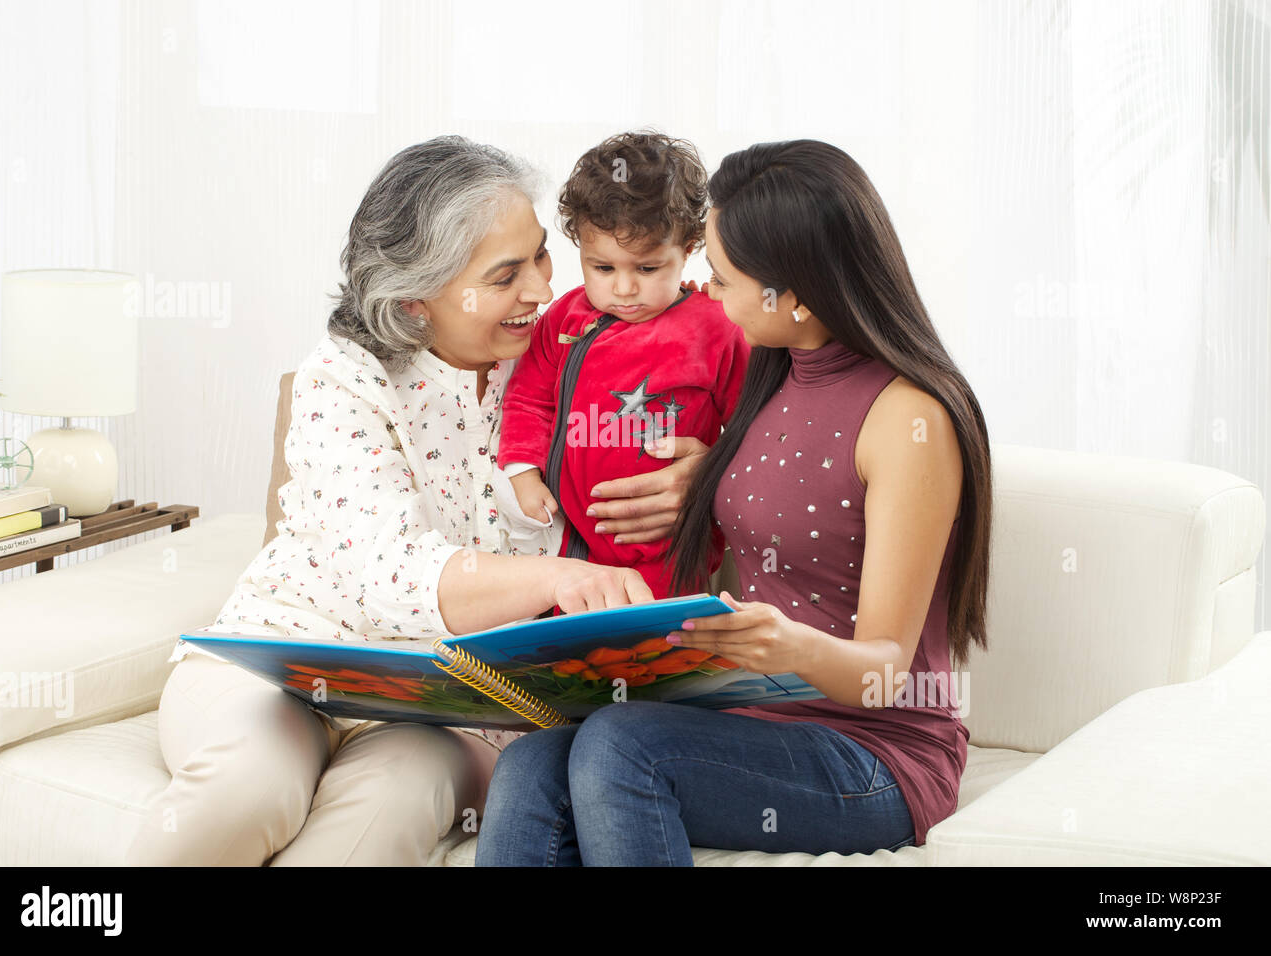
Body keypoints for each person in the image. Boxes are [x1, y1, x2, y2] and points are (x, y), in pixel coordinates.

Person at [122, 136, 708, 867]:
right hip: (277, 664)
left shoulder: (568, 365)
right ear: (415, 298)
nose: (539, 289)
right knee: (252, 787)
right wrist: (561, 579)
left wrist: (702, 472)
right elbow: (389, 576)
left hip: (431, 710)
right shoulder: (343, 379)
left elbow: (710, 405)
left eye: (540, 257)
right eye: (505, 275)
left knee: (391, 807)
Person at [476, 139, 993, 866]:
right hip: (755, 717)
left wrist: (785, 645)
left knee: (623, 747)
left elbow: (885, 670)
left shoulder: (910, 421)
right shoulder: (771, 374)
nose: (706, 296)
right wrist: (699, 478)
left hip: (877, 753)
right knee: (531, 766)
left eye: (721, 278)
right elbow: (754, 472)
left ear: (797, 293)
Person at [497, 131, 749, 601]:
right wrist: (522, 472)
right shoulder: (566, 318)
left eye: (648, 269)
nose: (625, 289)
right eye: (604, 268)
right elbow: (529, 398)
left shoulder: (718, 328)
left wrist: (715, 476)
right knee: (571, 653)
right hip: (570, 541)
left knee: (656, 648)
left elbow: (753, 426)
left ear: (690, 245)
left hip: (668, 546)